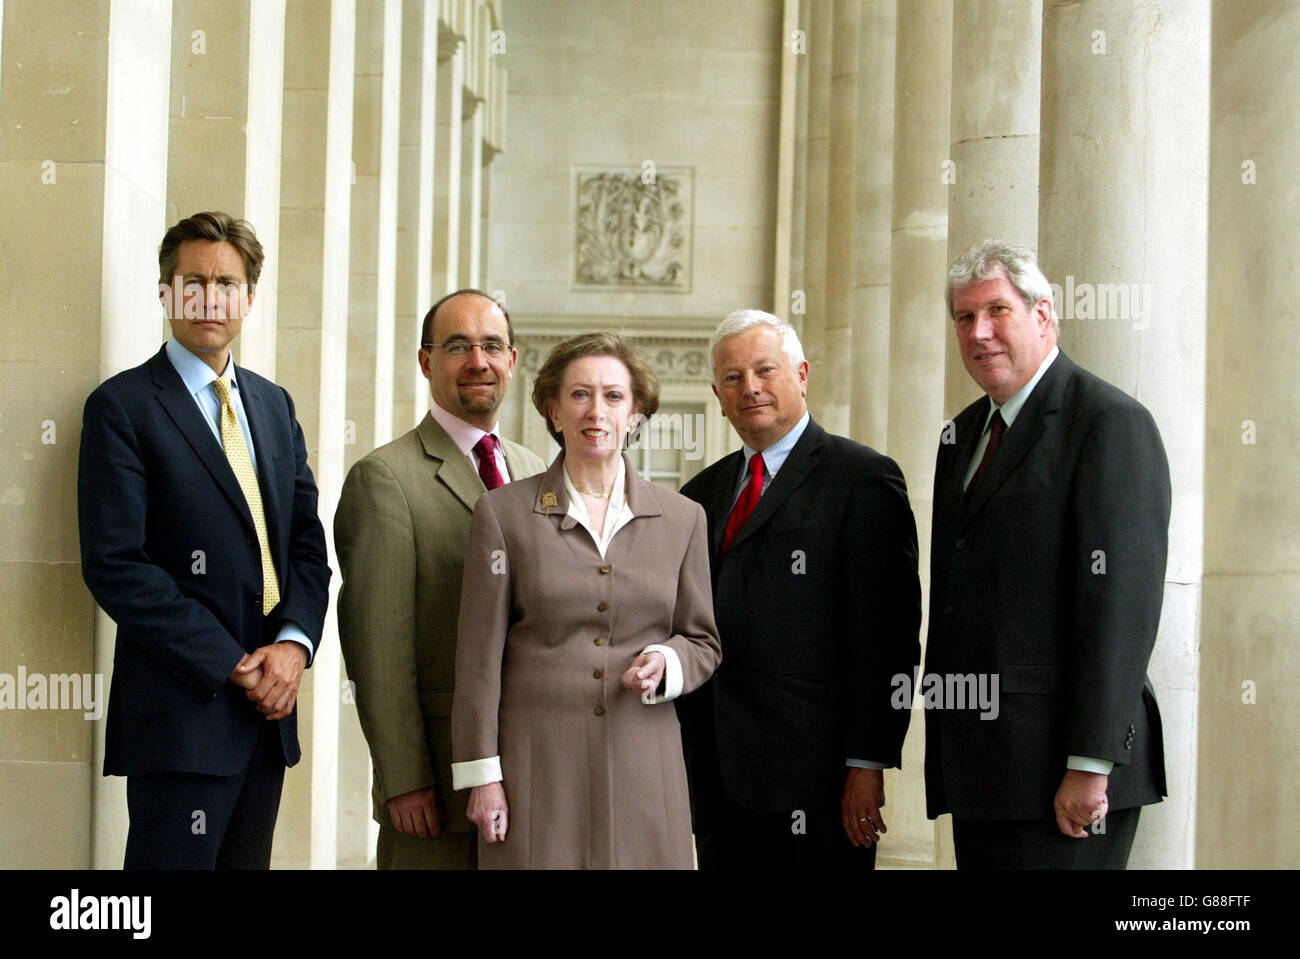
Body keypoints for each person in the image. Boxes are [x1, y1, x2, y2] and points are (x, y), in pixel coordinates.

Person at [77, 211, 331, 869]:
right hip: (182, 714)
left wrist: (293, 647)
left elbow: (306, 542)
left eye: (227, 283)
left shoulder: (273, 406)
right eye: (193, 281)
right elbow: (116, 564)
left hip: (268, 716)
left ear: (249, 299)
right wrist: (235, 662)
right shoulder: (124, 407)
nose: (209, 298)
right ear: (166, 292)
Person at [925, 239, 1170, 868]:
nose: (979, 333)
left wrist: (1089, 766)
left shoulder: (1109, 423)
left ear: (1043, 315)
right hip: (982, 771)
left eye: (997, 311)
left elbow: (1120, 607)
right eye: (963, 317)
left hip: (1065, 776)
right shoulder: (963, 435)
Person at [450, 332, 721, 869]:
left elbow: (703, 642)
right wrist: (484, 778)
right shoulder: (502, 514)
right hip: (538, 768)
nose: (596, 411)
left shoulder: (684, 517)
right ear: (553, 410)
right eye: (579, 395)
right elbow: (478, 659)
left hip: (646, 763)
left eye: (614, 396)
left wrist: (667, 662)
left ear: (636, 413)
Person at [677, 310, 922, 871]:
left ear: (803, 374)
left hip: (821, 778)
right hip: (716, 775)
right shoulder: (700, 493)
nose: (751, 388)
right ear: (717, 395)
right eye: (733, 378)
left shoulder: (862, 478)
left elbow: (888, 634)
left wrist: (868, 764)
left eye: (765, 369)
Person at [334, 290, 546, 869]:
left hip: (533, 779)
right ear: (427, 362)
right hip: (435, 792)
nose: (478, 361)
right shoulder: (385, 478)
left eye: (491, 346)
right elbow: (377, 646)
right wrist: (402, 779)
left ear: (513, 360)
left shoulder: (538, 473)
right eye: (458, 347)